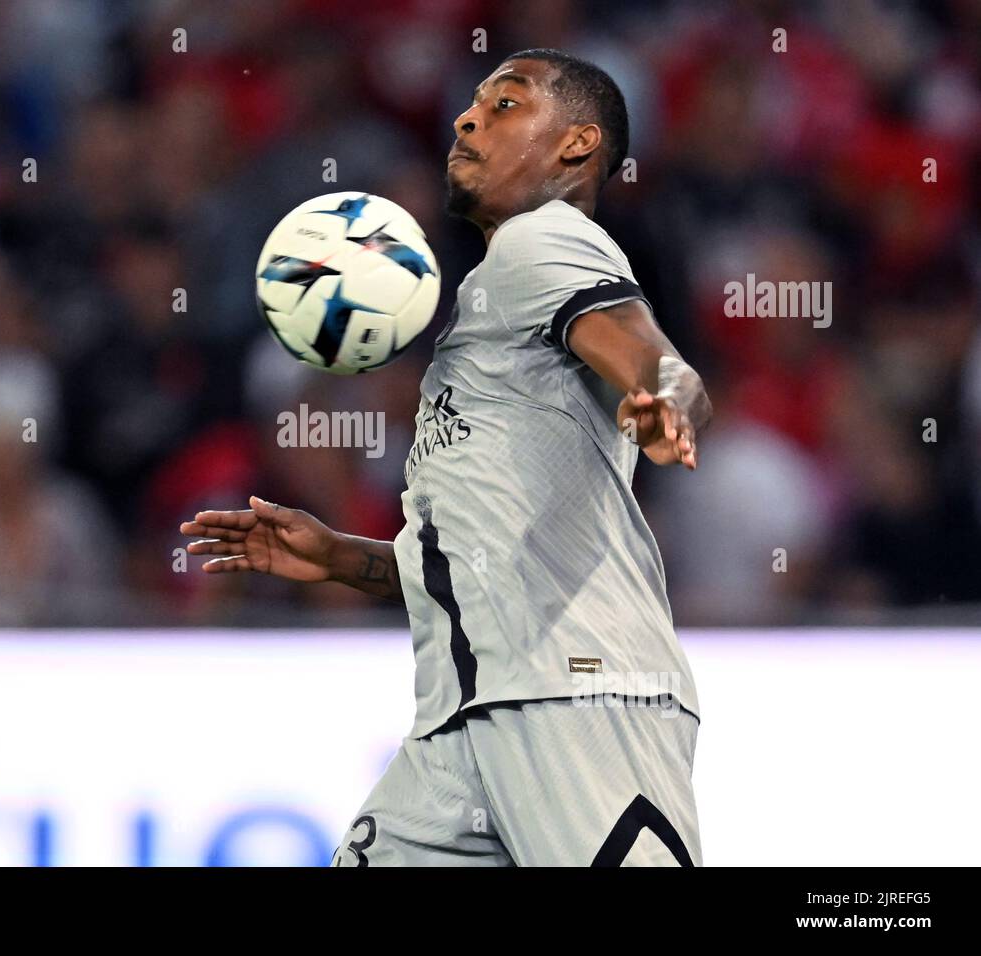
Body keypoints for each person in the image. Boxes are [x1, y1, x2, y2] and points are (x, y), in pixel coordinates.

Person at [180, 49, 711, 866]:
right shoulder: (484, 304)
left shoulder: (549, 242)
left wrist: (662, 401)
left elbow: (657, 361)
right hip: (460, 722)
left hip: (574, 694)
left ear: (576, 144)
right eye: (472, 101)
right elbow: (479, 554)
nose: (468, 118)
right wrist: (343, 560)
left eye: (506, 104)